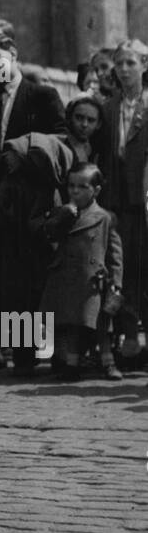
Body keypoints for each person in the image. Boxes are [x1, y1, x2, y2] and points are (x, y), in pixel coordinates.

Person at [0, 31, 67, 374]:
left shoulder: (41, 96)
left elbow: (64, 140)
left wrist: (26, 150)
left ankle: (23, 356)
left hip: (24, 198)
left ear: (13, 54)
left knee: (19, 278)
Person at [33, 163, 123, 382]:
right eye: (71, 186)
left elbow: (115, 254)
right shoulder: (64, 213)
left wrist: (116, 282)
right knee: (72, 324)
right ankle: (71, 365)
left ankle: (108, 363)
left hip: (93, 280)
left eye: (82, 187)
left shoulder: (104, 217)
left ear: (96, 190)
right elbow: (48, 234)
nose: (74, 191)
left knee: (102, 326)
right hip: (67, 278)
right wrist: (62, 216)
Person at [96, 39, 148, 369]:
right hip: (119, 201)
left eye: (131, 62)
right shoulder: (107, 107)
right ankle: (130, 339)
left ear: (144, 65)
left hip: (145, 200)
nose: (125, 69)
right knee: (125, 268)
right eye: (120, 63)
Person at [64, 93, 104, 168]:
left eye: (91, 120)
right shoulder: (60, 149)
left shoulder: (96, 151)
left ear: (98, 124)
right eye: (79, 118)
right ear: (70, 118)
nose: (84, 124)